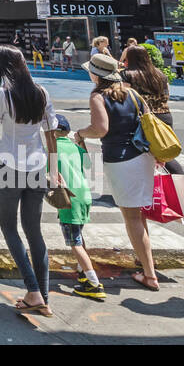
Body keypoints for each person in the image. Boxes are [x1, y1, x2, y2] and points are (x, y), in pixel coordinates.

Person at [0, 45, 60, 316]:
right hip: (38, 165)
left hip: (9, 164)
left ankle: (33, 290)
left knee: (9, 227)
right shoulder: (41, 92)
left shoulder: (3, 95)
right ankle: (44, 297)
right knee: (34, 230)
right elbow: (51, 134)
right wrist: (54, 168)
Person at [75, 52, 159, 291]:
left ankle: (150, 274)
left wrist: (81, 133)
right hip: (142, 156)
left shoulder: (98, 96)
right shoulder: (133, 93)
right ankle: (145, 264)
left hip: (120, 160)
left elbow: (100, 129)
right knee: (139, 216)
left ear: (97, 75)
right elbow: (148, 121)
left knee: (132, 218)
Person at [54, 115, 103, 300]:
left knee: (74, 243)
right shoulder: (74, 147)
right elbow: (88, 164)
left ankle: (93, 282)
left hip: (70, 199)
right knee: (79, 236)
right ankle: (83, 272)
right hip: (84, 195)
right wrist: (80, 143)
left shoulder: (52, 148)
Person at [122, 44, 184, 175]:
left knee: (139, 154)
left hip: (142, 120)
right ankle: (182, 189)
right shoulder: (159, 74)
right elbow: (167, 94)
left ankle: (146, 189)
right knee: (165, 153)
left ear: (130, 59)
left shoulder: (127, 75)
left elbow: (124, 98)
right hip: (164, 115)